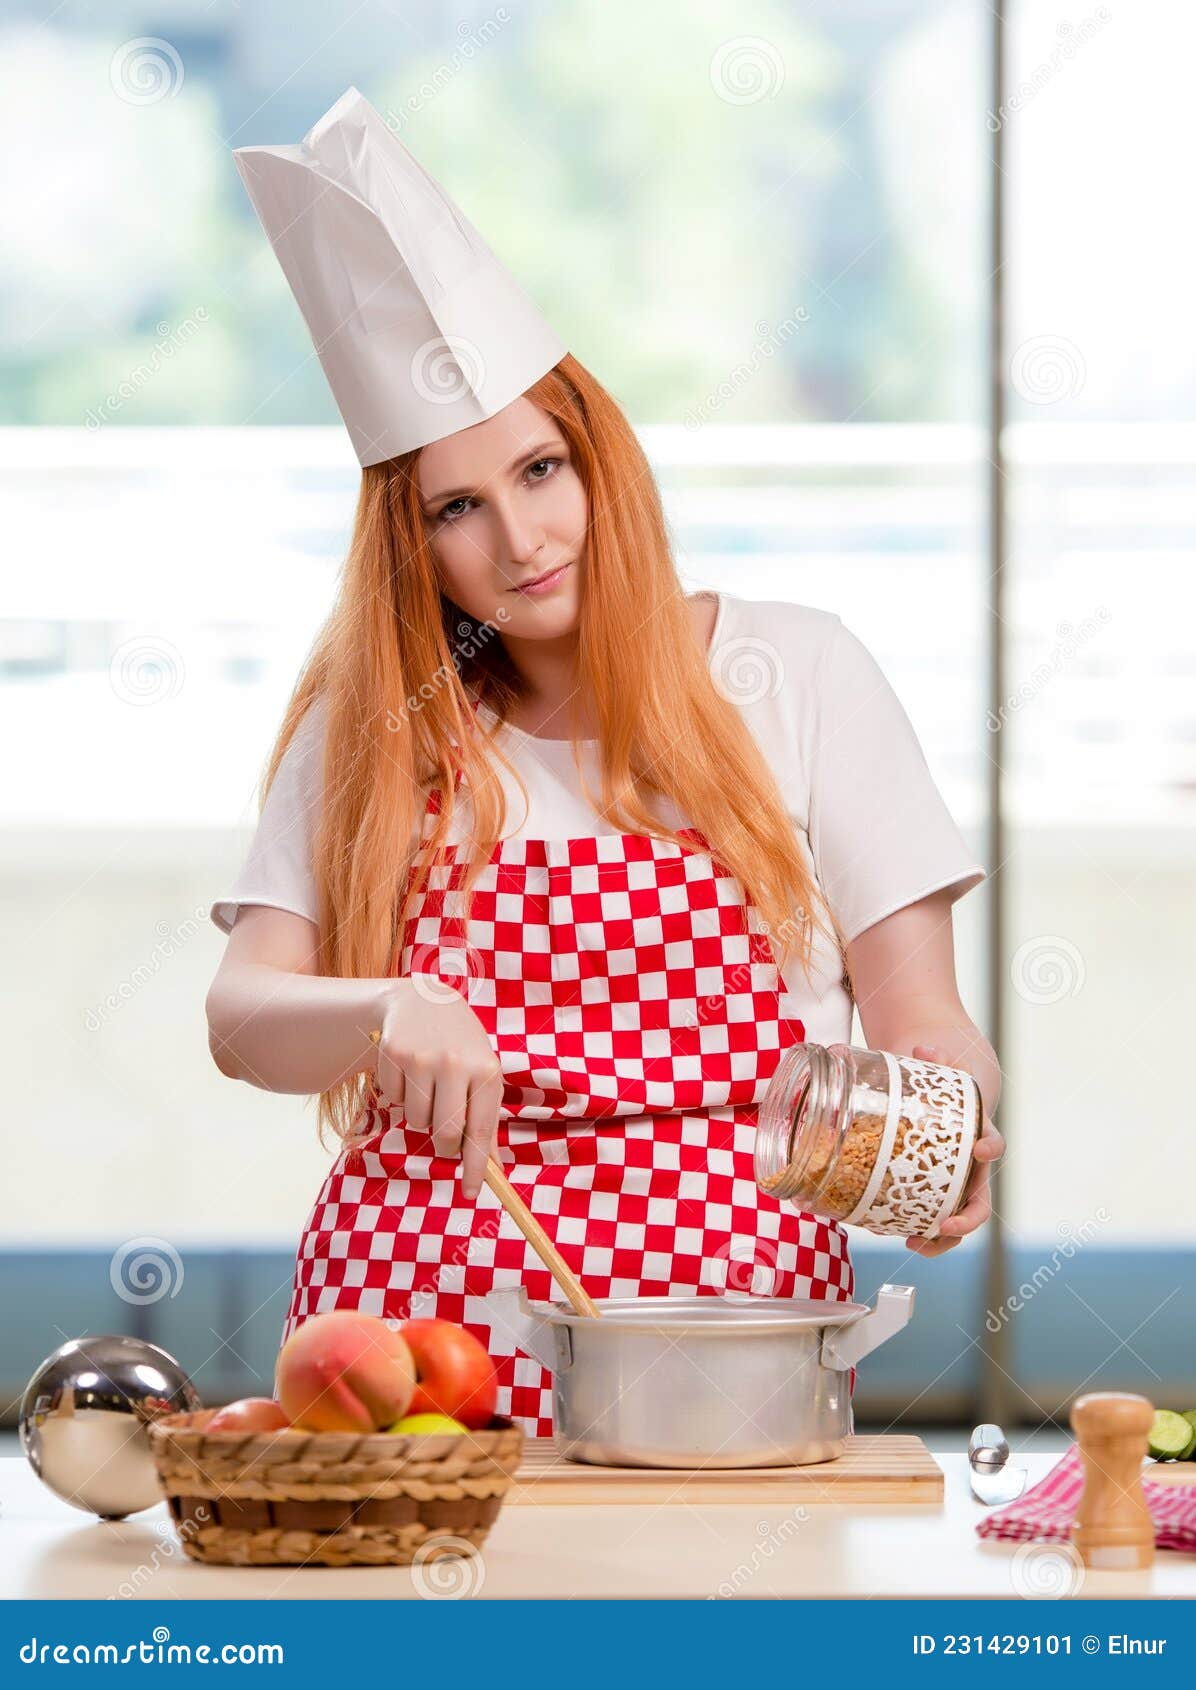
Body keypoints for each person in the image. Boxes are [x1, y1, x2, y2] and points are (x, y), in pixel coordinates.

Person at [206, 89, 1004, 1436]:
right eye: (457, 507)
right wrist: (384, 1005)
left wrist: (948, 1131)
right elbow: (240, 1015)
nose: (519, 539)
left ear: (604, 464)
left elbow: (923, 1021)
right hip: (414, 1342)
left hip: (730, 1340)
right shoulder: (375, 724)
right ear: (413, 545)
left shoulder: (798, 675)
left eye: (541, 470)